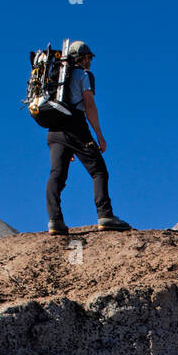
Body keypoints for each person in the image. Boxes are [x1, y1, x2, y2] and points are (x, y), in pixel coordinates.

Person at [45, 40, 131, 234]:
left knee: (56, 174)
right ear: (83, 58)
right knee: (99, 171)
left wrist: (68, 147)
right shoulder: (84, 75)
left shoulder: (55, 76)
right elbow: (89, 105)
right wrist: (99, 134)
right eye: (89, 57)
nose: (90, 61)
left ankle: (54, 220)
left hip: (54, 130)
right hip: (75, 126)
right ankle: (105, 216)